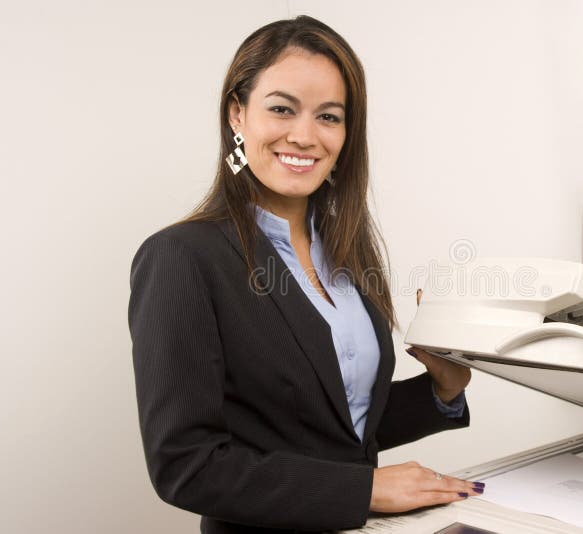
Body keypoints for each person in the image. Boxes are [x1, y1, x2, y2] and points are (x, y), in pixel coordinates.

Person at [128, 15, 482, 534]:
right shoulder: (181, 257)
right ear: (237, 115)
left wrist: (441, 390)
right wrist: (364, 490)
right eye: (281, 109)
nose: (304, 135)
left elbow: (337, 426)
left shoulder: (345, 254)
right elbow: (186, 464)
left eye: (329, 117)